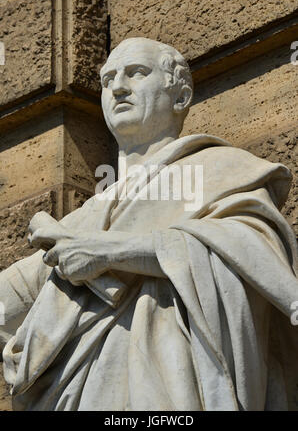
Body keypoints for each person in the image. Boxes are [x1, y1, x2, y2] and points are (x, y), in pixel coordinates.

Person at [0, 37, 297, 411]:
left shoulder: (220, 171)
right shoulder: (83, 219)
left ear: (180, 97)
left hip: (173, 387)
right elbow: (11, 298)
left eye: (136, 73)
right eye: (108, 81)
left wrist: (113, 252)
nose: (118, 87)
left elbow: (257, 261)